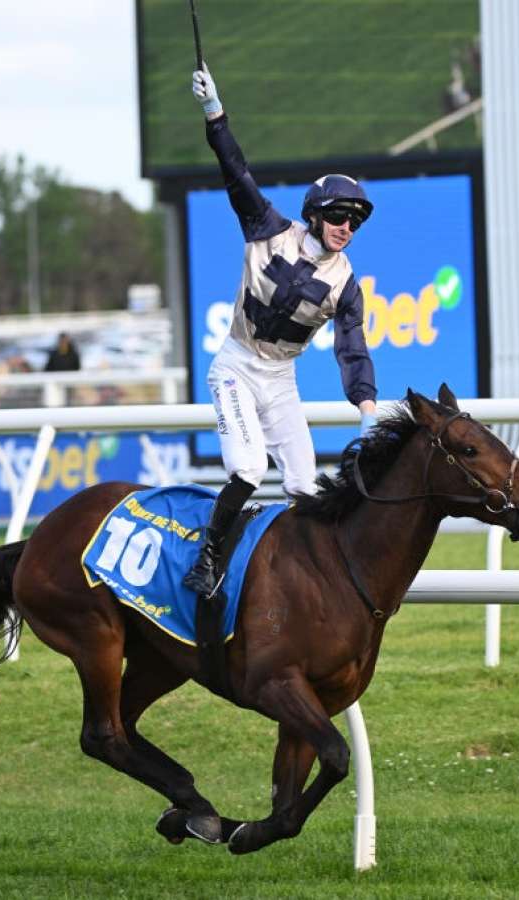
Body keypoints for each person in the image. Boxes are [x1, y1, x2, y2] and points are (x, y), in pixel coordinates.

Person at [183, 63, 379, 598]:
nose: (346, 228)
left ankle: (307, 582)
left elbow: (352, 349)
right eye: (340, 215)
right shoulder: (267, 228)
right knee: (246, 471)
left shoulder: (347, 284)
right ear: (315, 213)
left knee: (305, 486)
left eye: (355, 221)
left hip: (281, 379)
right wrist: (213, 113)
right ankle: (208, 562)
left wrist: (367, 410)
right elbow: (234, 169)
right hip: (236, 368)